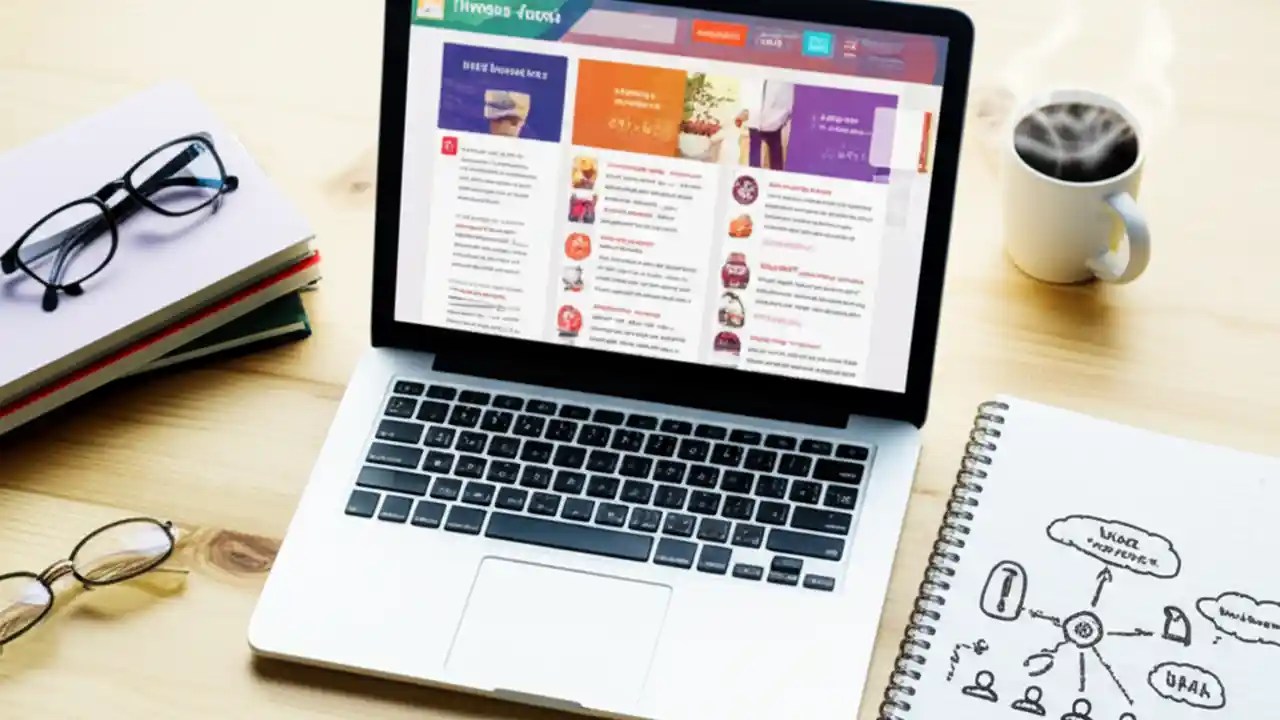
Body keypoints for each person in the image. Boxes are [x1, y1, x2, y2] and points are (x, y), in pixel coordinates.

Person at [736, 80, 794, 171]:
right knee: (755, 153)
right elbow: (746, 85)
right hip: (754, 116)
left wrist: (784, 115)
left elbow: (788, 93)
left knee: (775, 153)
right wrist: (745, 109)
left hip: (775, 118)